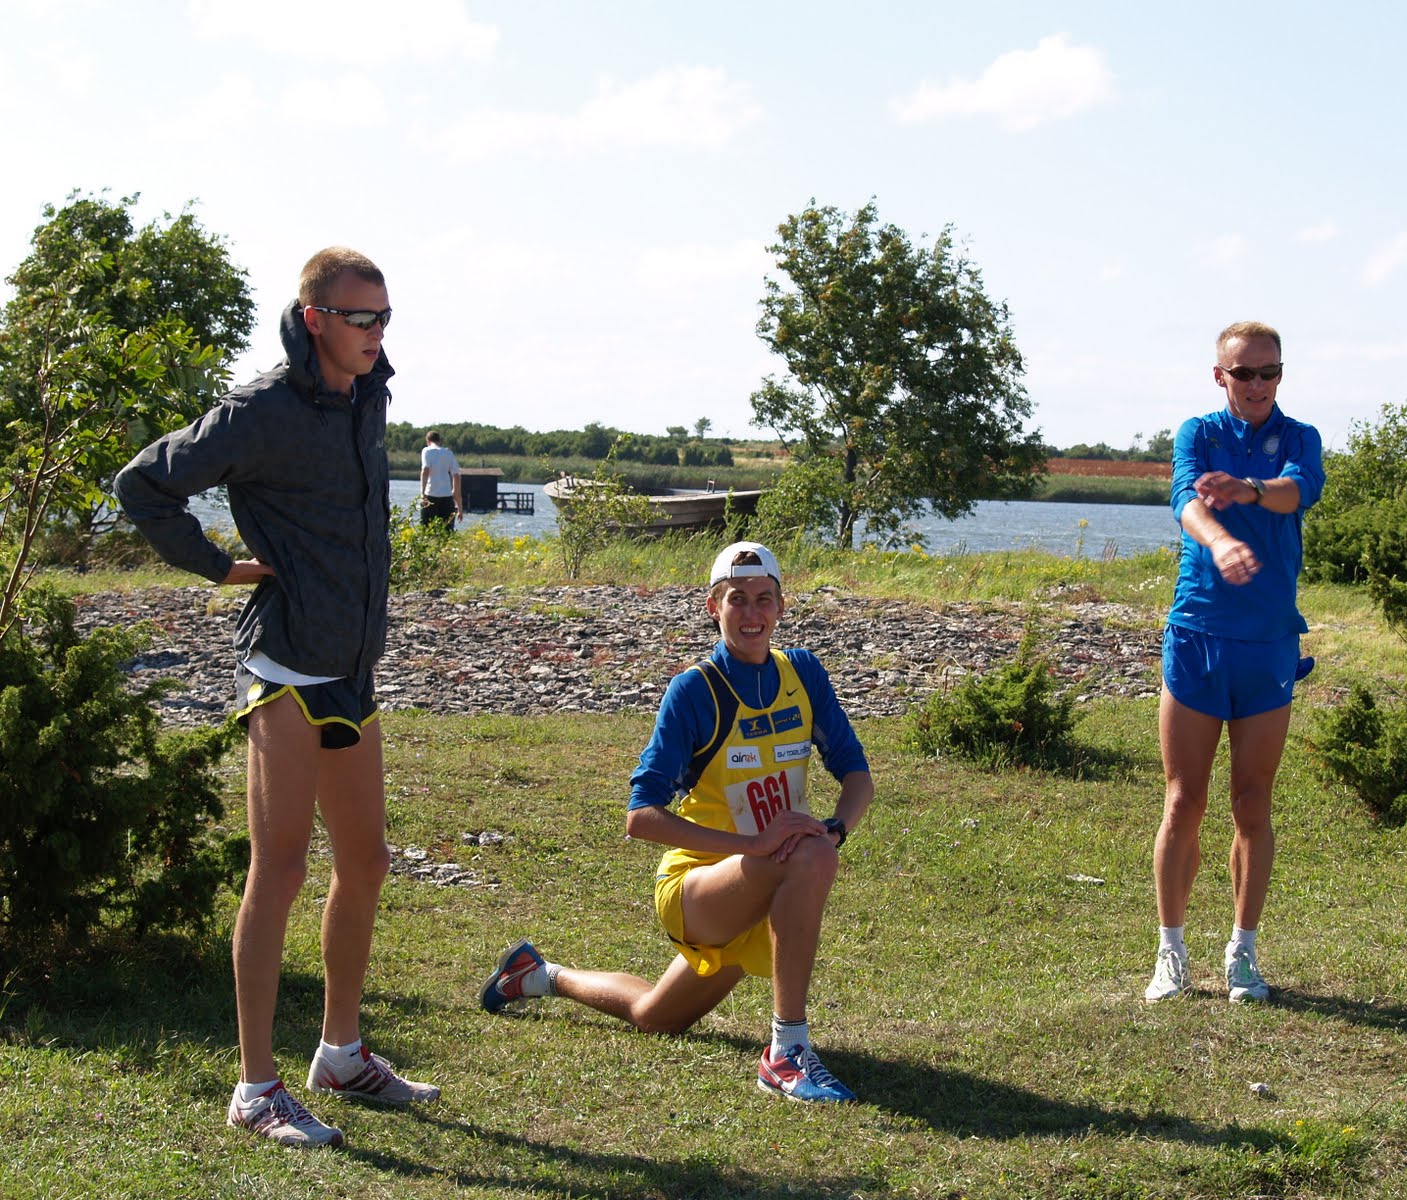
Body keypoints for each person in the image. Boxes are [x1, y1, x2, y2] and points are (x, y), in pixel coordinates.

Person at [113, 247, 437, 1149]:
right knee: (281, 870)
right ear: (315, 319)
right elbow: (144, 484)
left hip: (353, 669)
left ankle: (339, 1052)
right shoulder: (260, 411)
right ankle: (255, 1088)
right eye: (362, 318)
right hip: (287, 669)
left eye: (385, 316)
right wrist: (218, 566)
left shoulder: (367, 392)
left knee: (366, 863)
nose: (378, 333)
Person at [479, 541, 874, 1103]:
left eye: (765, 599)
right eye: (737, 600)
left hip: (766, 885)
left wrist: (835, 828)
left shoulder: (803, 673)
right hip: (699, 888)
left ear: (782, 607)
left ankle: (538, 975)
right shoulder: (696, 689)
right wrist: (754, 843)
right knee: (806, 854)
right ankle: (787, 1052)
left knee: (653, 1017)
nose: (752, 614)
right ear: (713, 607)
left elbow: (858, 777)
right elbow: (641, 817)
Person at [1144, 321, 1324, 1005]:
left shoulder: (1300, 437)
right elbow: (1185, 502)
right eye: (1243, 373)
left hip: (1269, 643)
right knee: (1184, 800)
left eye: (1269, 372)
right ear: (1219, 376)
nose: (1256, 385)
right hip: (1197, 634)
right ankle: (1171, 951)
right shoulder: (1196, 431)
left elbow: (1295, 492)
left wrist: (1248, 490)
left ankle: (1243, 954)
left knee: (1253, 802)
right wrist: (1220, 543)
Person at [419, 430, 464, 527]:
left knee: (426, 529)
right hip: (447, 497)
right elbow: (456, 476)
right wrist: (459, 508)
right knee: (447, 531)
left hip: (430, 495)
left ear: (428, 441)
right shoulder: (448, 453)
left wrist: (422, 494)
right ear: (440, 441)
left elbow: (425, 470)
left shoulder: (426, 450)